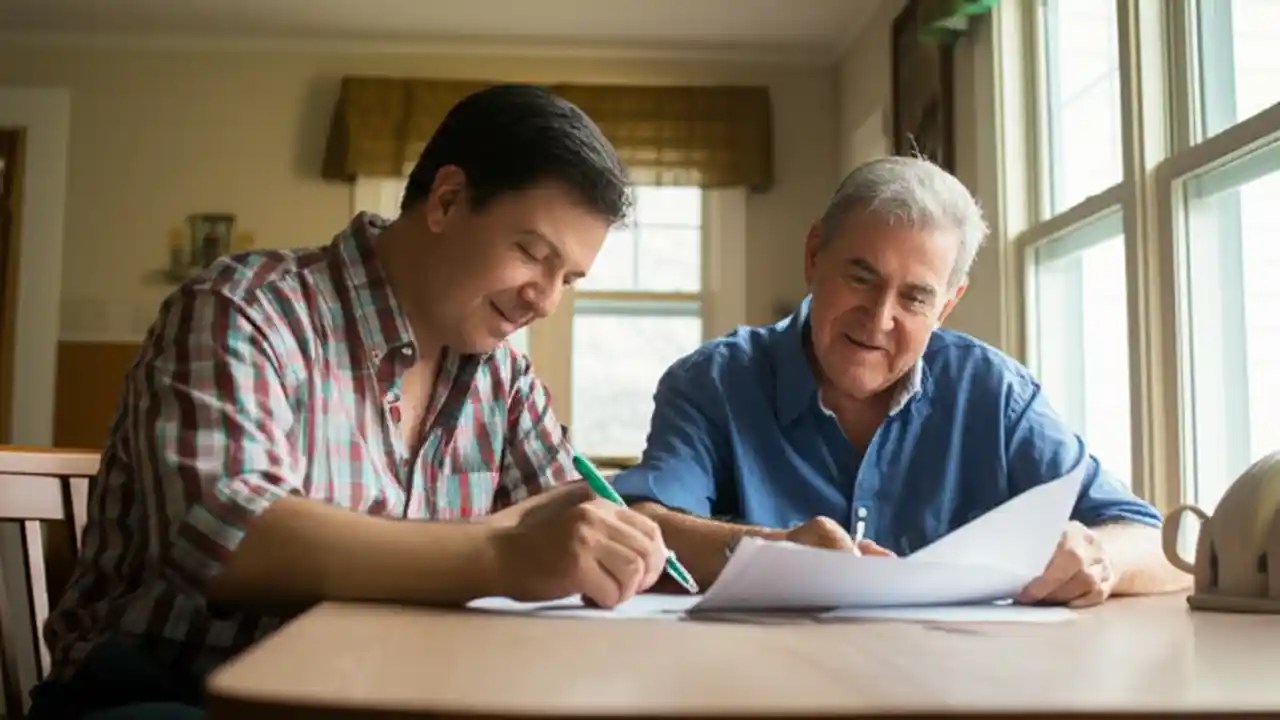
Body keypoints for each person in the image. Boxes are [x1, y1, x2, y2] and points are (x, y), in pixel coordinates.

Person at [31, 84, 669, 719]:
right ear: (447, 200)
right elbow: (228, 537)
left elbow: (577, 512)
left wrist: (747, 551)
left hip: (377, 692)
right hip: (167, 692)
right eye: (533, 254)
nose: (547, 300)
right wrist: (502, 553)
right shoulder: (244, 309)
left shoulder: (501, 375)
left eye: (570, 279)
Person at [612, 156, 1191, 607]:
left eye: (915, 297)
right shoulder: (712, 381)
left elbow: (1156, 544)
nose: (880, 318)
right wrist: (777, 552)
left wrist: (1097, 558)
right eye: (861, 278)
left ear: (948, 304)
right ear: (815, 255)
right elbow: (643, 524)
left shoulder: (995, 393)